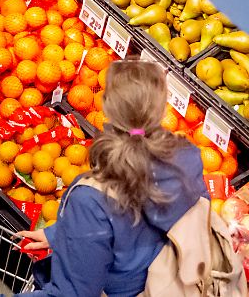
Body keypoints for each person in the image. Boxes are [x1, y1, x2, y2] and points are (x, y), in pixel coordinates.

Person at [14, 59, 207, 297]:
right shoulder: (187, 157)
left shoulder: (92, 197)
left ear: (106, 109)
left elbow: (73, 293)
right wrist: (61, 233)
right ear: (162, 110)